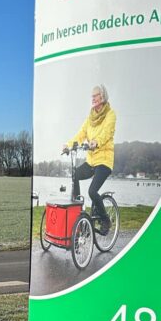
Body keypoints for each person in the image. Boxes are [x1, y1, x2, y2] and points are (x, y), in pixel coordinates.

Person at [63, 84, 116, 234]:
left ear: (103, 97)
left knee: (92, 191)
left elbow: (107, 132)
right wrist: (68, 145)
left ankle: (105, 220)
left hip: (104, 161)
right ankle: (78, 207)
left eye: (95, 95)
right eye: (91, 96)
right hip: (91, 161)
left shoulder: (111, 114)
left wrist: (96, 142)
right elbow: (80, 135)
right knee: (75, 174)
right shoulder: (90, 118)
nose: (92, 98)